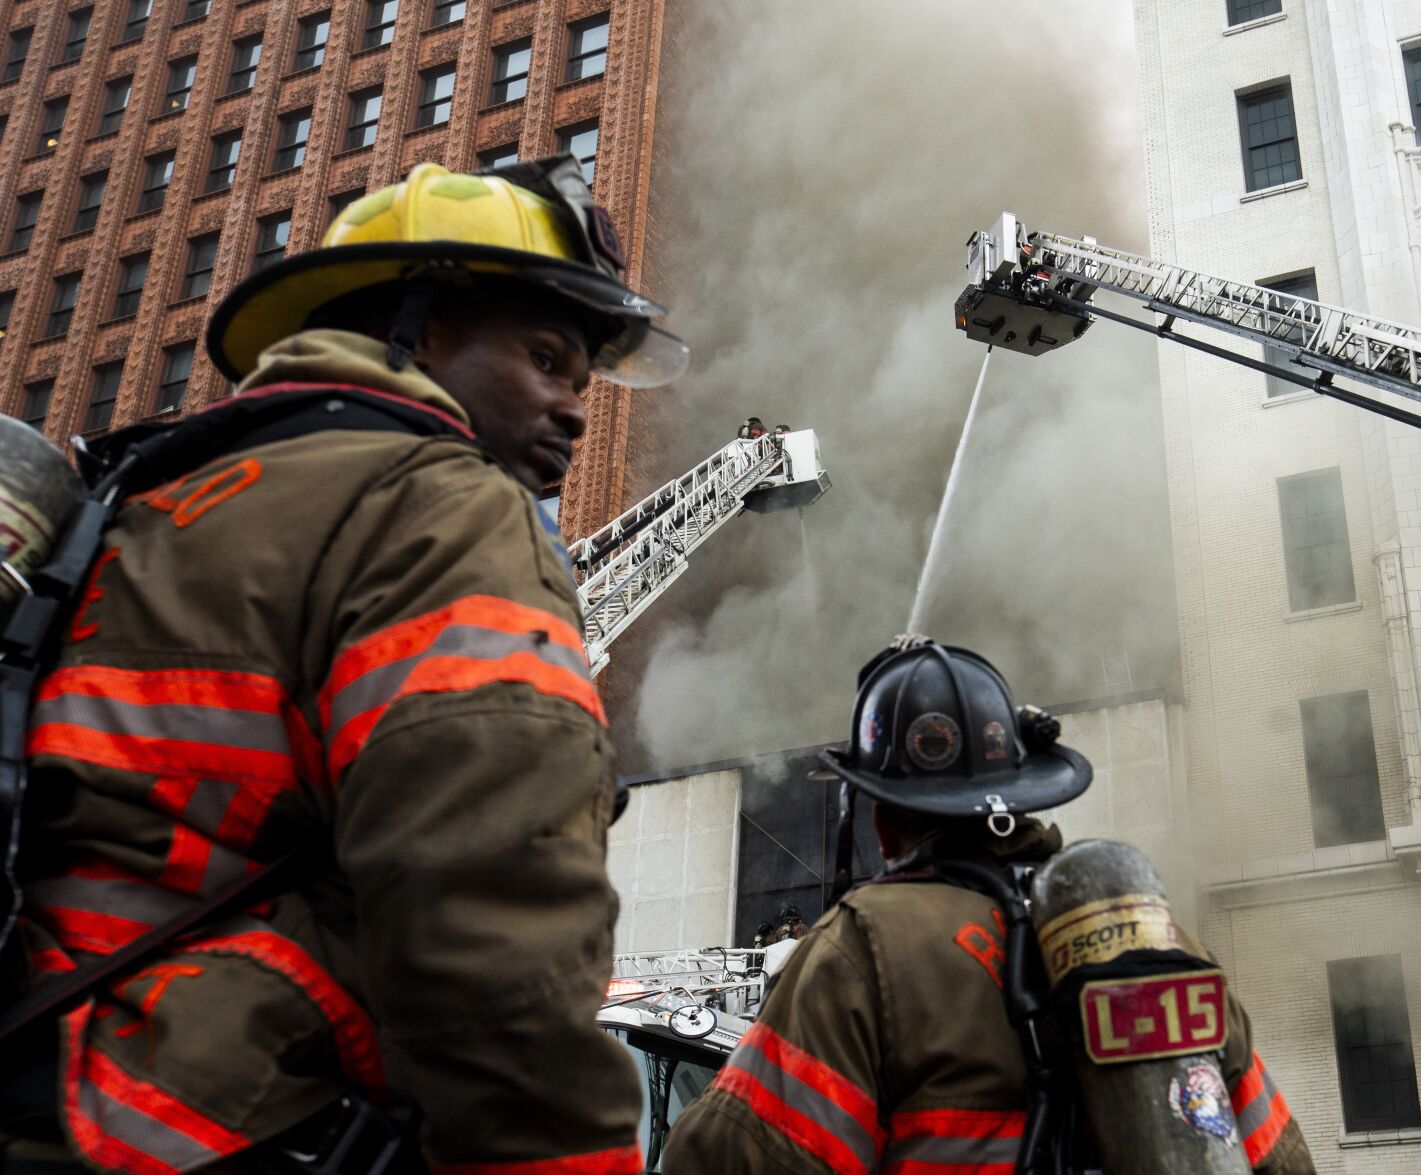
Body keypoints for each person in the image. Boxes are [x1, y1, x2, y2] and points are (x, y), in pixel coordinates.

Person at [0, 156, 688, 1174]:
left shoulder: (141, 496)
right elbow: (489, 901)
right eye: (546, 358)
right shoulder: (441, 506)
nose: (574, 411)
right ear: (425, 325)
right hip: (215, 1130)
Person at [662, 637, 1313, 1174]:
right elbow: (1279, 1160)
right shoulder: (1159, 943)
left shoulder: (861, 948)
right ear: (1021, 791)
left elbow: (730, 1158)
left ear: (883, 818)